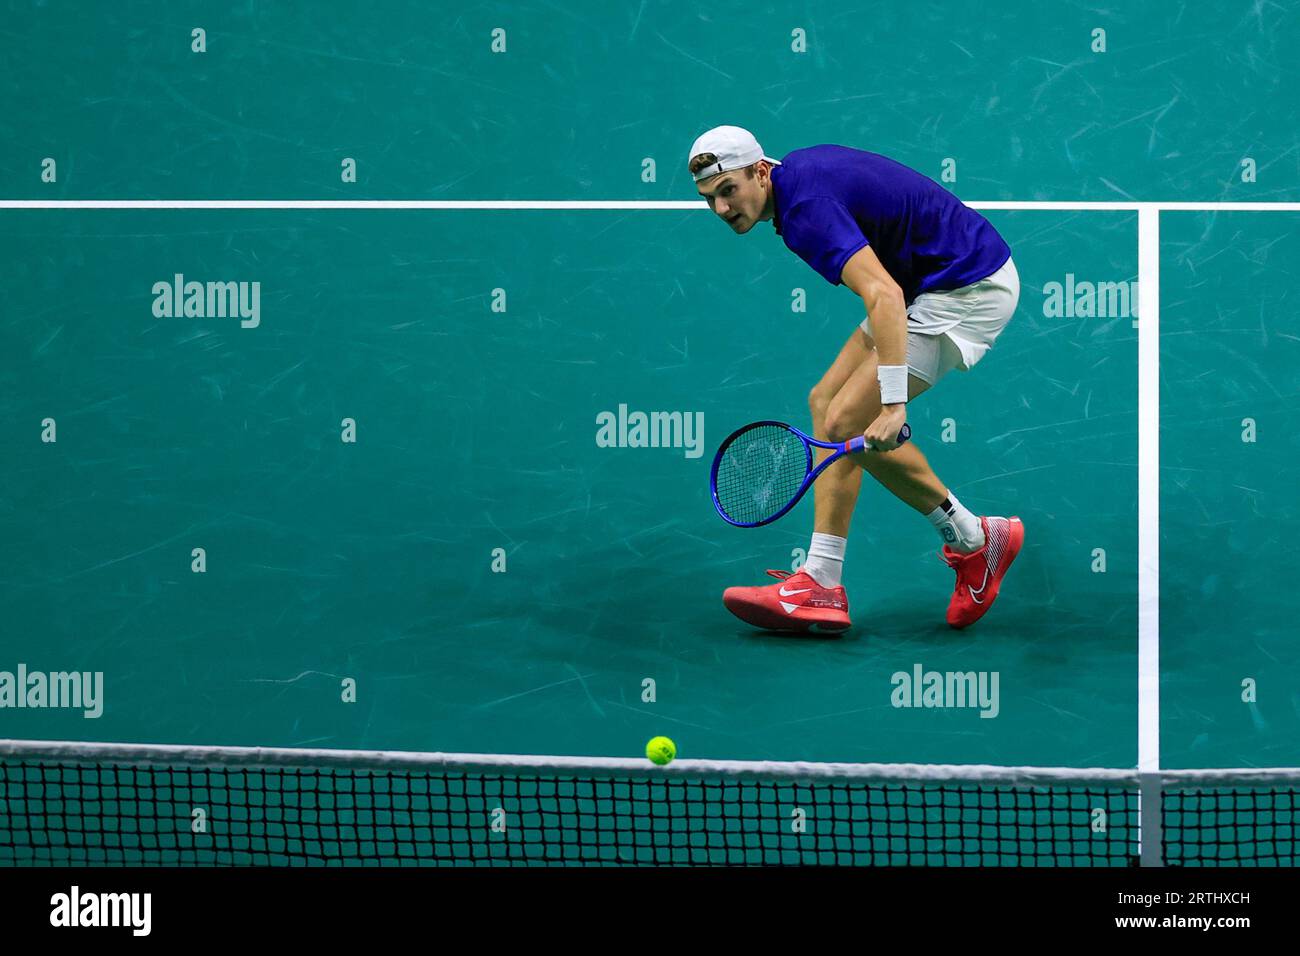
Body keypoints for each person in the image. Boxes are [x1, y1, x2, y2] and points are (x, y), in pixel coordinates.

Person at [690, 125, 1023, 633]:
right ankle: (957, 542)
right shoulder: (794, 179)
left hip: (964, 287)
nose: (720, 208)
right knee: (825, 402)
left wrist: (892, 406)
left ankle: (844, 574)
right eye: (709, 198)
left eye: (728, 190)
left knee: (848, 419)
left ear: (760, 171)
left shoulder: (804, 213)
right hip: (926, 277)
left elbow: (883, 296)